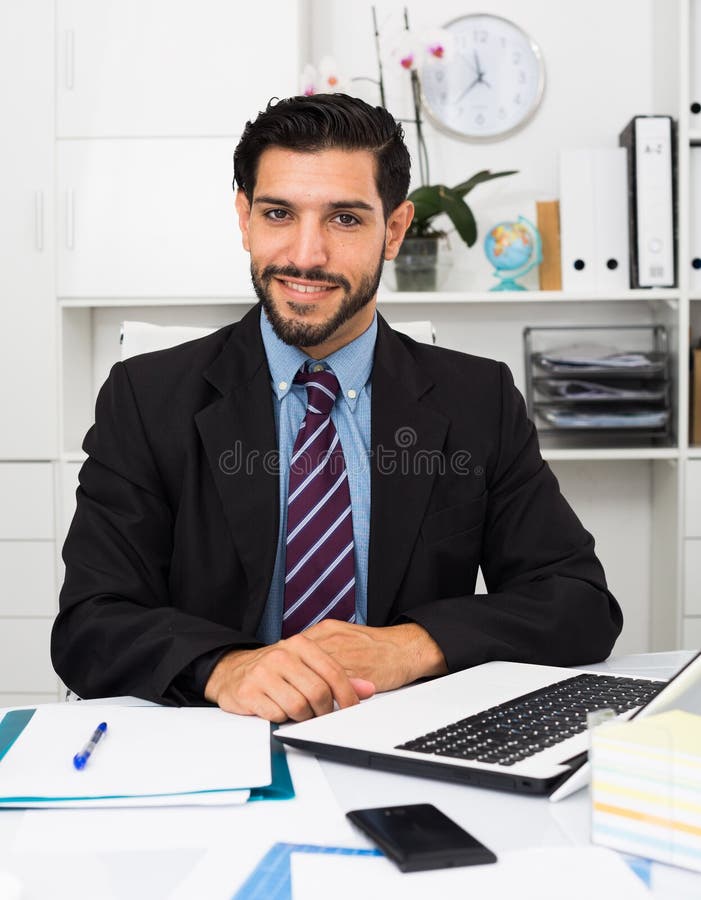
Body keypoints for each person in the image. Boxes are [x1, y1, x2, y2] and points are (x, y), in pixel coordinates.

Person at [51, 94, 623, 722]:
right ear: (244, 220)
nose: (306, 255)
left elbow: (578, 603)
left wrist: (412, 647)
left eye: (345, 219)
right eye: (278, 213)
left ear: (395, 230)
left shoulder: (478, 399)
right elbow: (91, 623)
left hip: (404, 736)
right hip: (213, 737)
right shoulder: (146, 396)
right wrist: (224, 667)